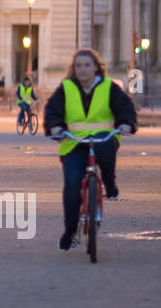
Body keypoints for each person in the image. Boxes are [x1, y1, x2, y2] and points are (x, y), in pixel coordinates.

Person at [43, 48, 137, 251]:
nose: (83, 69)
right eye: (78, 66)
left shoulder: (108, 87)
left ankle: (110, 185)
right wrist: (55, 126)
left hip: (103, 137)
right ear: (73, 69)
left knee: (104, 150)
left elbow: (125, 107)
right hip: (74, 142)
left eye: (87, 65)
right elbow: (52, 110)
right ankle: (70, 230)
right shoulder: (66, 88)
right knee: (72, 184)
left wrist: (126, 123)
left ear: (96, 67)